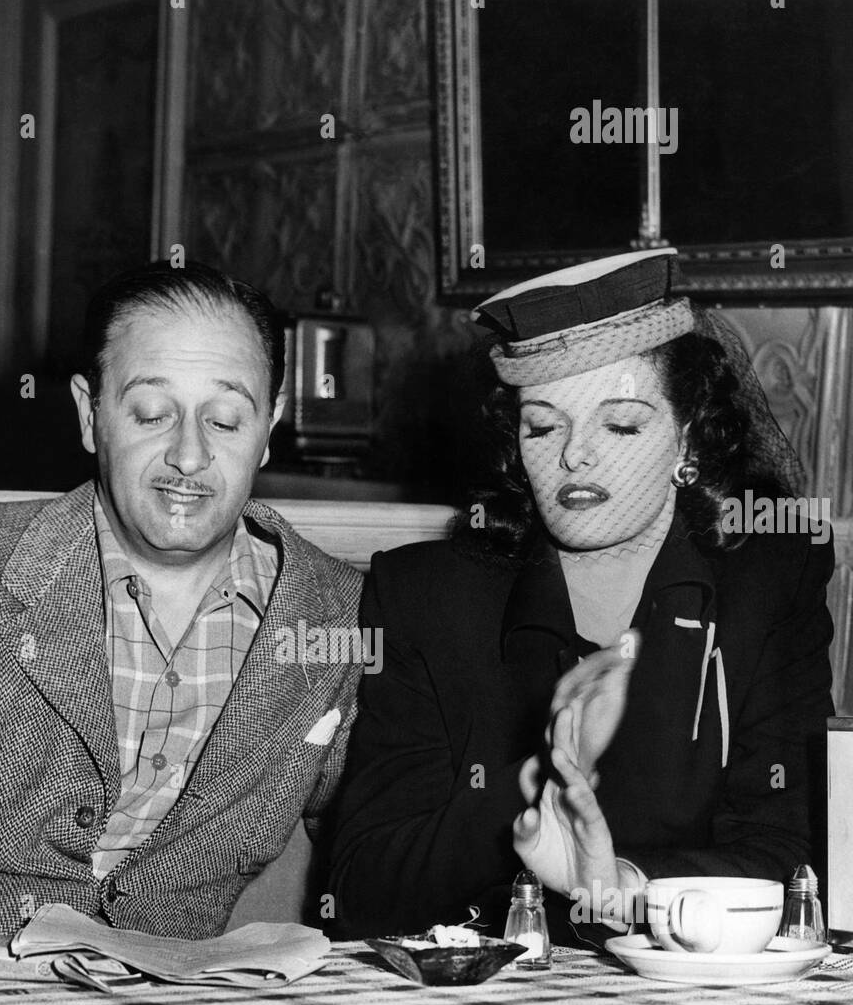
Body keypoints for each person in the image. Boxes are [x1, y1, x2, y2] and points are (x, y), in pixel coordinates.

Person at [0, 261, 363, 967]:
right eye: (151, 413)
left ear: (271, 425)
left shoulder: (335, 620)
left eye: (225, 419)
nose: (190, 456)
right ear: (88, 412)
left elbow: (385, 833)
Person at [329, 249, 834, 944]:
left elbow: (794, 865)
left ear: (687, 435)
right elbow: (359, 892)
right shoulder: (425, 596)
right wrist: (531, 786)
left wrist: (625, 887)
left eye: (620, 425)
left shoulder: (769, 580)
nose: (575, 456)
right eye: (543, 425)